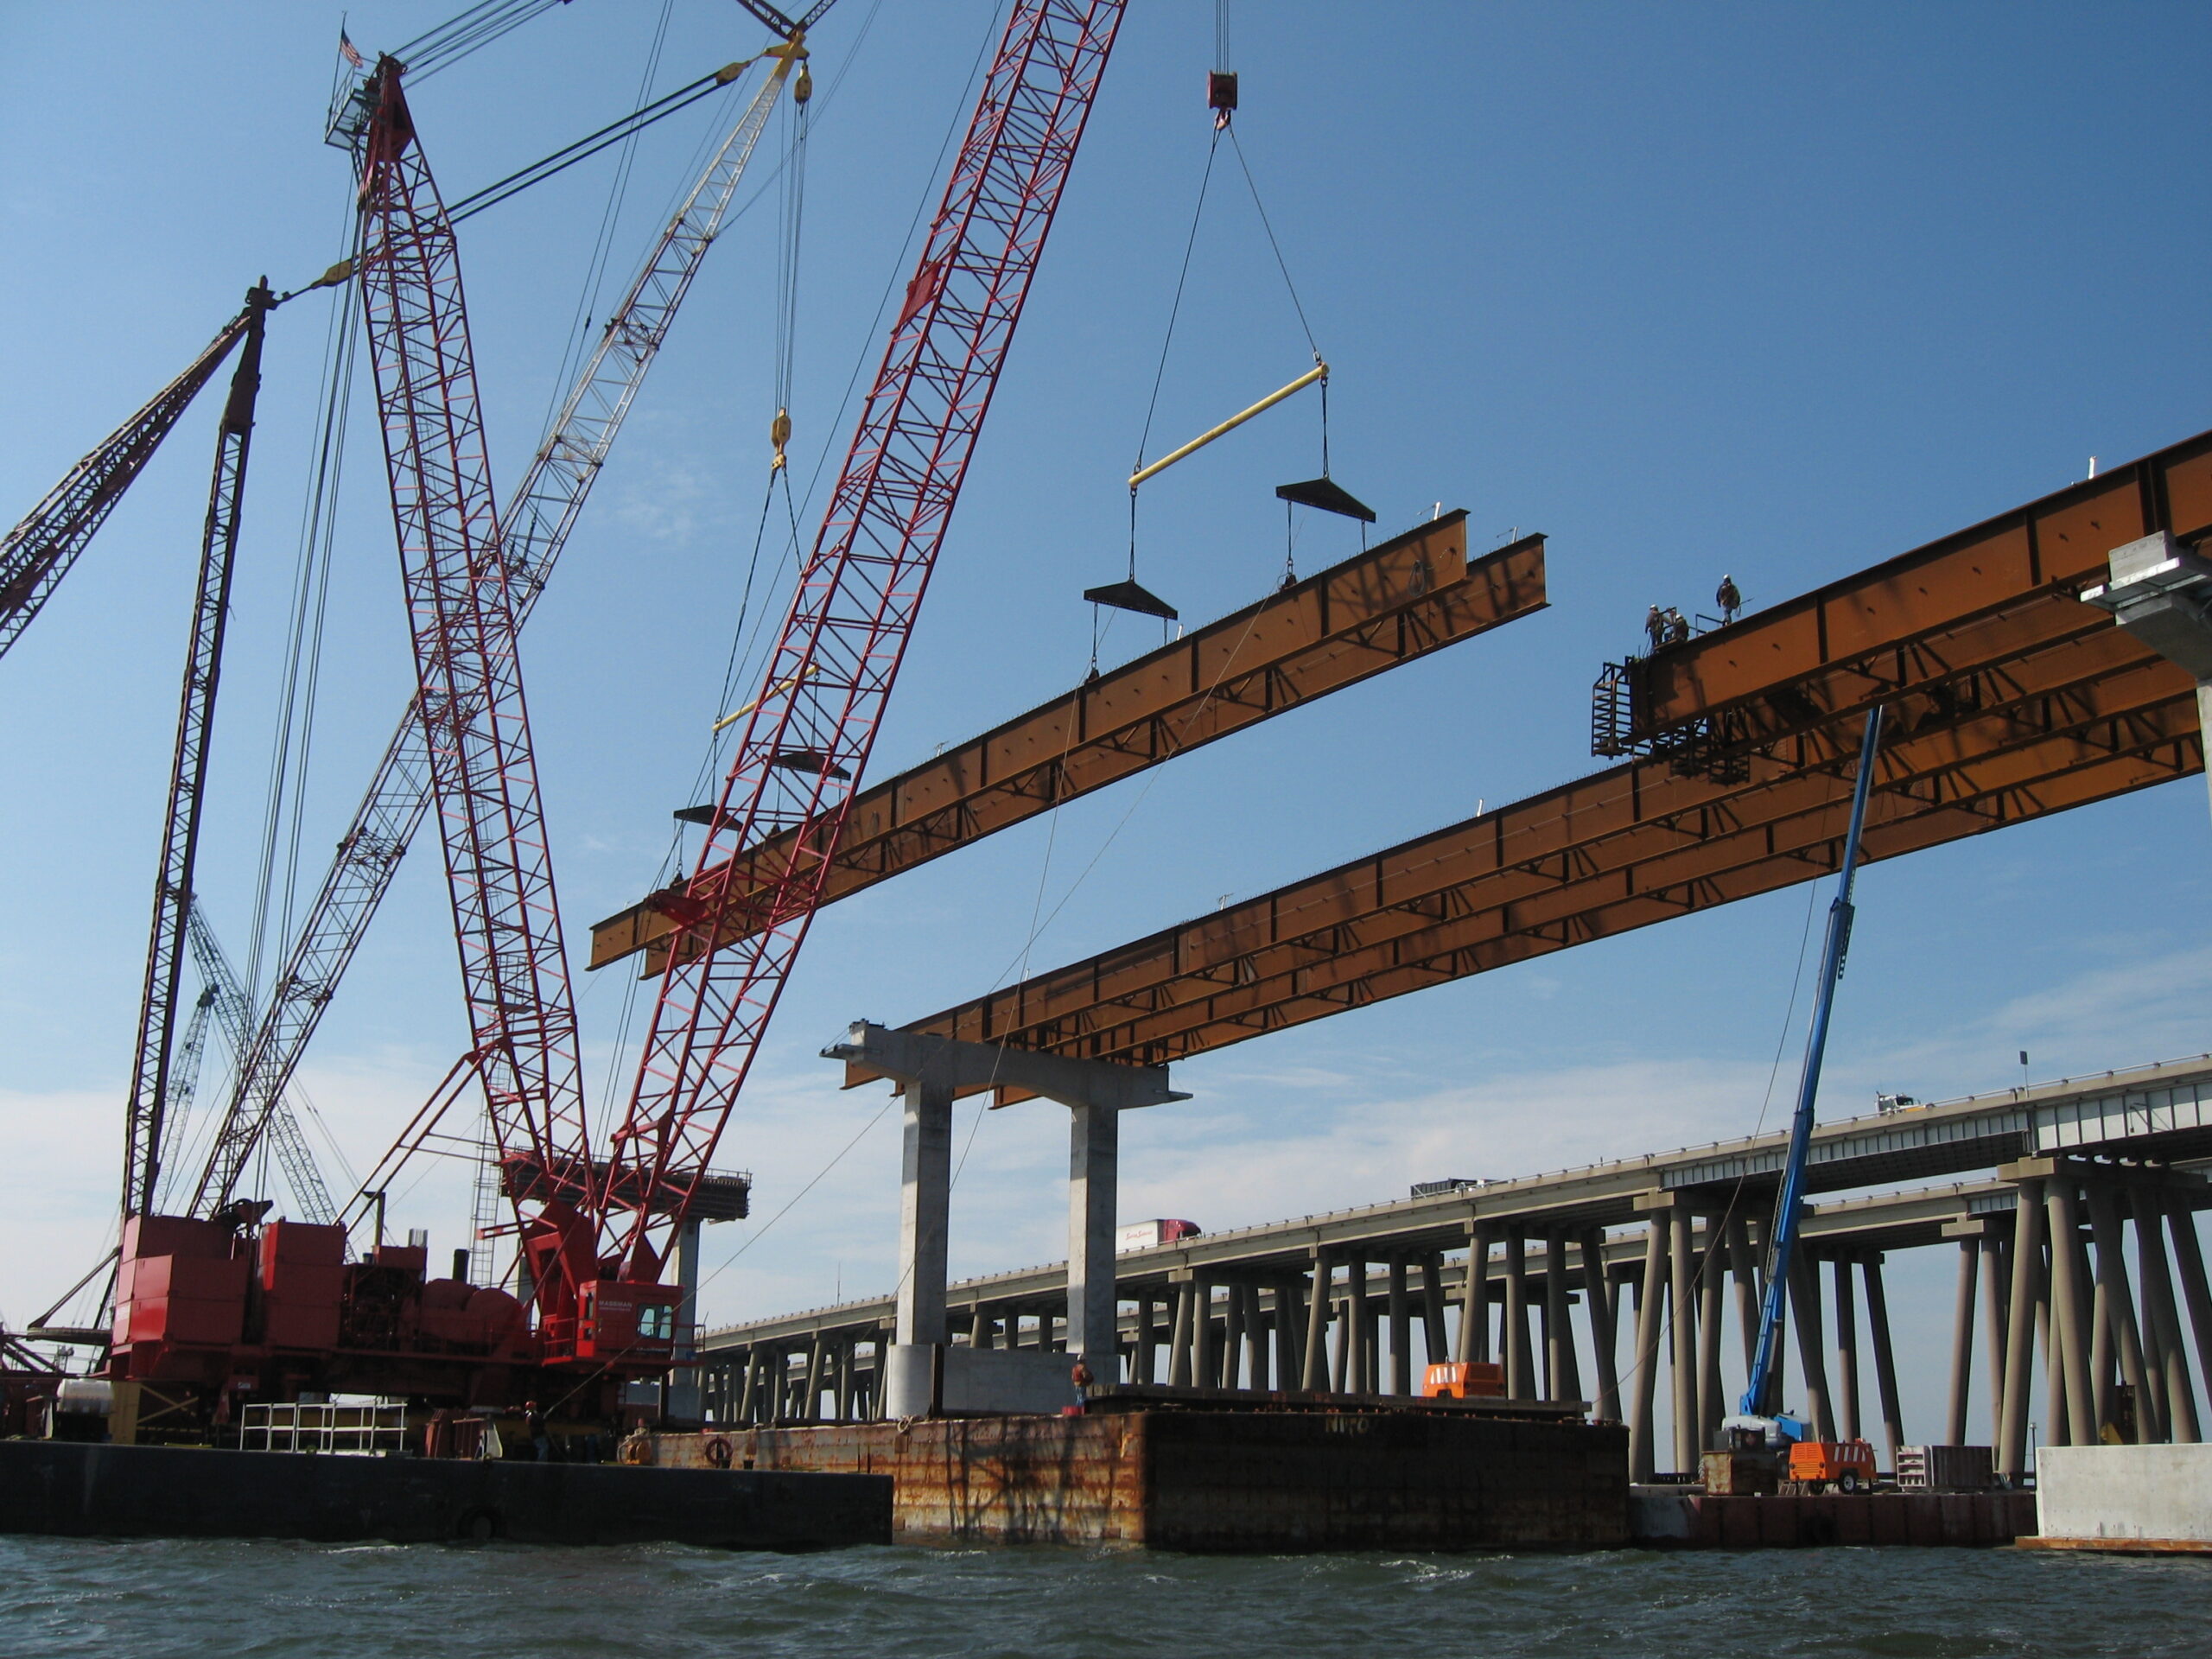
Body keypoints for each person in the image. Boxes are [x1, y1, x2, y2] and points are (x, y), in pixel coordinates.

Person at [524, 1399, 550, 1463]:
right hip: (537, 1435)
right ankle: (541, 1462)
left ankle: (542, 1462)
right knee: (544, 1448)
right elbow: (536, 1423)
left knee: (544, 1447)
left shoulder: (534, 1415)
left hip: (539, 1435)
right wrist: (542, 1418)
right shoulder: (530, 1416)